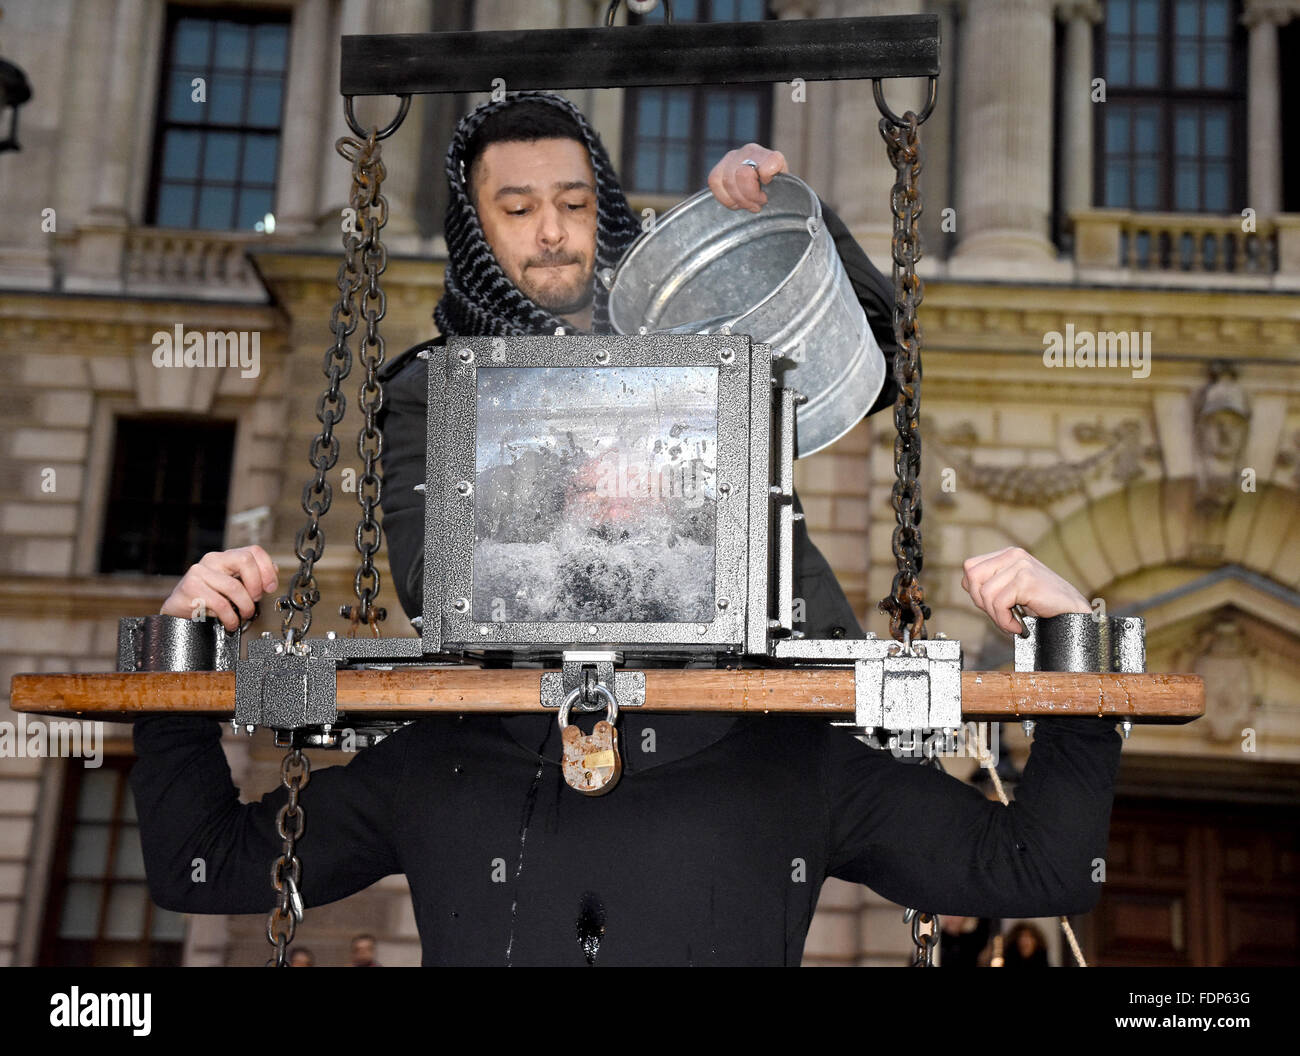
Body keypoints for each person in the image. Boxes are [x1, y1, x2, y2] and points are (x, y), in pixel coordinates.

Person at [131, 92, 1121, 967]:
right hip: (506, 726)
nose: (552, 233)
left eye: (572, 205)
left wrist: (786, 216)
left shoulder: (793, 763)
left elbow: (1038, 869)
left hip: (744, 709)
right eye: (516, 210)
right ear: (475, 229)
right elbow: (201, 863)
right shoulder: (440, 762)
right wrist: (182, 645)